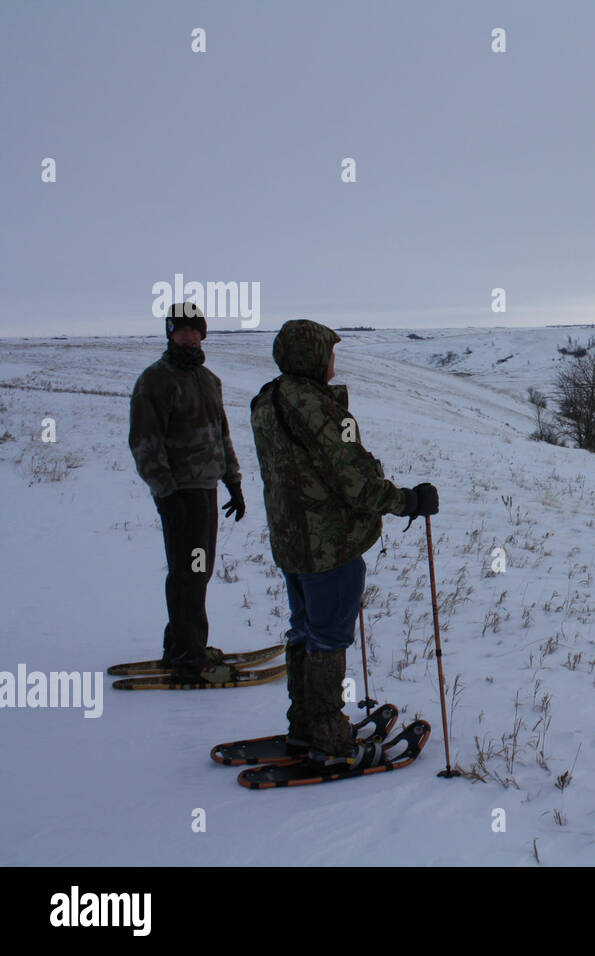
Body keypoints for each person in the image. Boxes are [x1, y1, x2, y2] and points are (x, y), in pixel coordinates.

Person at [250, 319, 438, 768]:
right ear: (314, 357)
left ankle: (304, 724)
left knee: (304, 630)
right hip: (327, 545)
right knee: (328, 638)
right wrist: (408, 501)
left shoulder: (267, 399)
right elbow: (354, 481)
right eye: (329, 354)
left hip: (291, 541)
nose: (334, 363)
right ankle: (328, 733)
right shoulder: (316, 408)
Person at [129, 303, 246, 684]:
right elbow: (145, 443)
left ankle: (183, 642)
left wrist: (234, 482)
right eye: (181, 330)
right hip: (179, 493)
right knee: (188, 571)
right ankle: (186, 653)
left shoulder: (208, 380)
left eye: (195, 330)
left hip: (206, 490)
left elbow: (221, 434)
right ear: (170, 333)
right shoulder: (156, 381)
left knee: (198, 569)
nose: (189, 336)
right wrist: (167, 494)